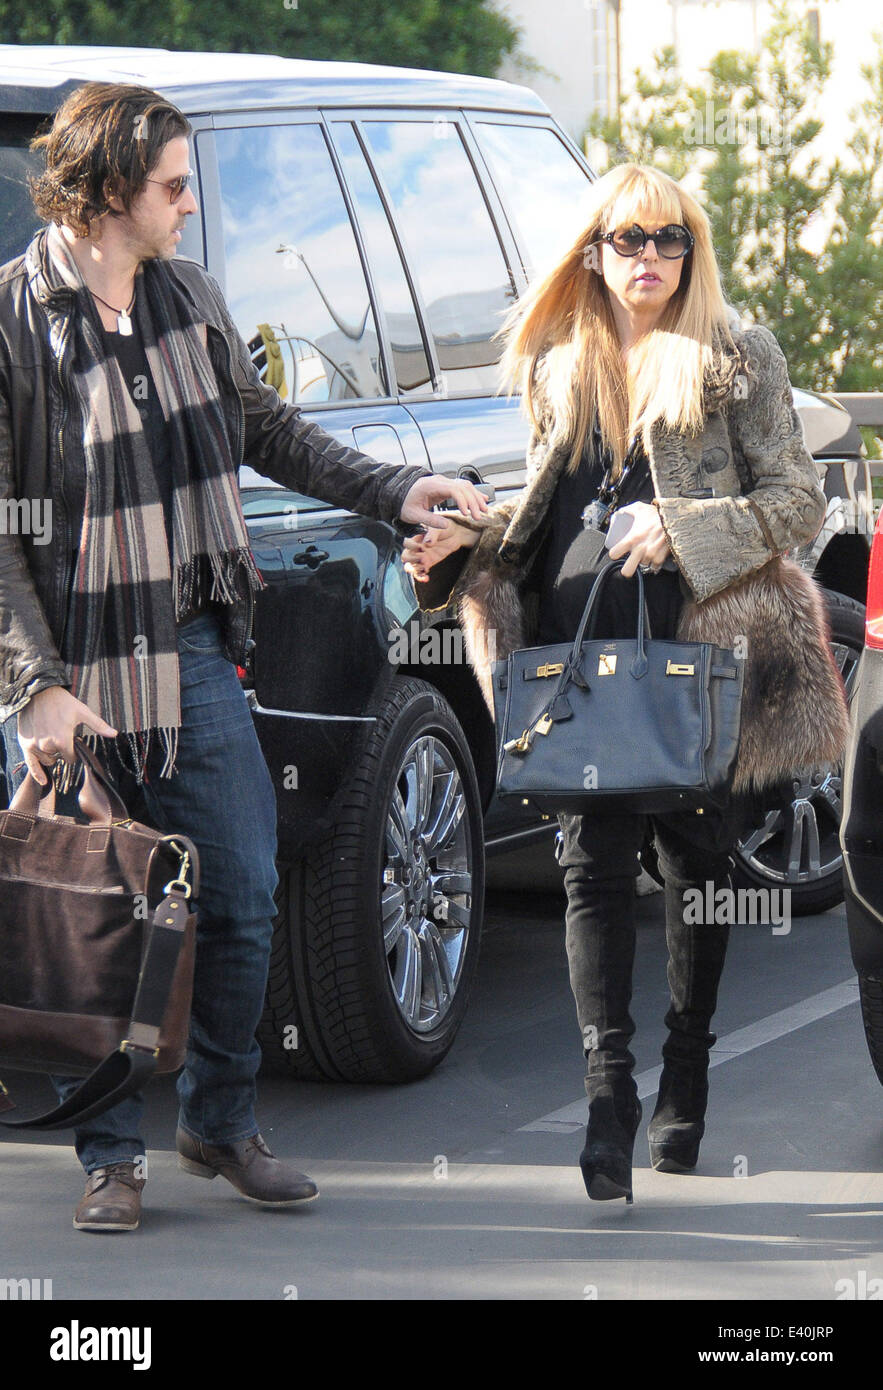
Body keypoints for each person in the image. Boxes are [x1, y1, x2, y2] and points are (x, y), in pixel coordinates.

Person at [0, 81, 490, 1233]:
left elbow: (266, 428)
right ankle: (107, 1154)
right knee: (97, 911)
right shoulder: (17, 321)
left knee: (247, 891)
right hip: (73, 671)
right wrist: (36, 688)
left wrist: (394, 486)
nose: (189, 202)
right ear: (111, 187)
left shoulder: (187, 297)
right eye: (174, 184)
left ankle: (218, 1119)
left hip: (193, 646)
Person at [402, 163, 849, 1204]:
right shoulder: (562, 362)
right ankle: (609, 1091)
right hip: (575, 641)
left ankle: (684, 1068)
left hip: (697, 649)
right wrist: (469, 548)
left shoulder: (738, 358)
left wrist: (682, 527)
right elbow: (545, 500)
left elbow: (795, 505)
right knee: (589, 866)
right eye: (626, 239)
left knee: (695, 859)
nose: (648, 257)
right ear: (593, 253)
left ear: (691, 251)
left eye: (668, 239)